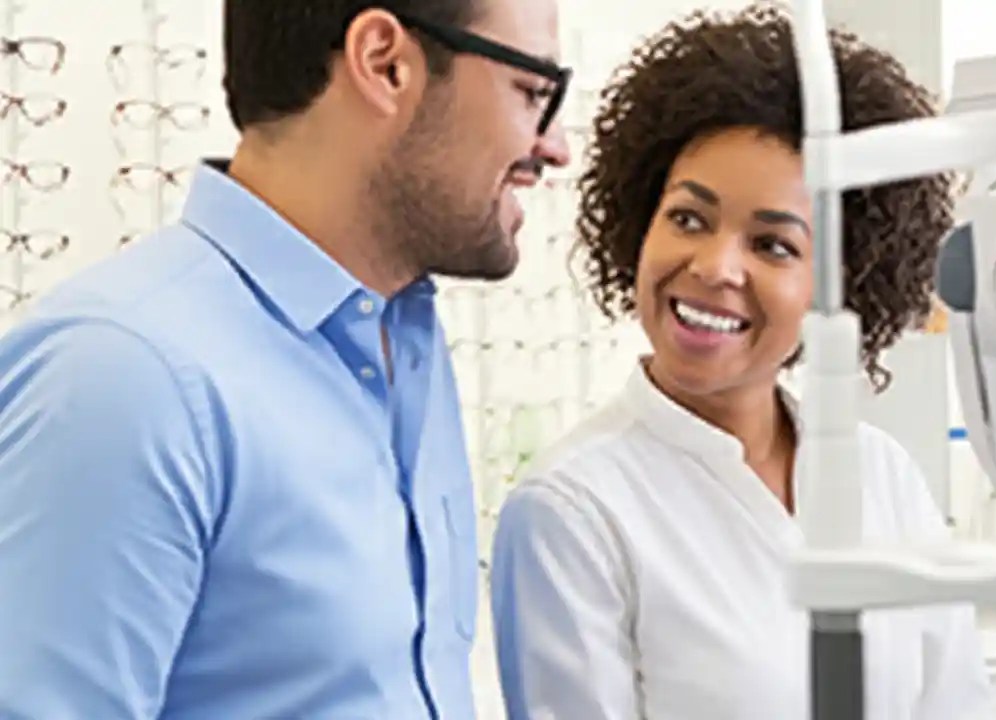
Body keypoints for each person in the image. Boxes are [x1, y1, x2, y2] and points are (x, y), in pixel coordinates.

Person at [0, 1, 570, 718]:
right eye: (534, 94)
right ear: (385, 64)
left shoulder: (405, 346)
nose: (557, 147)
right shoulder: (121, 380)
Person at [488, 5, 993, 720]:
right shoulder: (574, 511)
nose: (716, 267)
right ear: (639, 224)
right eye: (689, 219)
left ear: (838, 282)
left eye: (773, 245)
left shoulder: (883, 477)